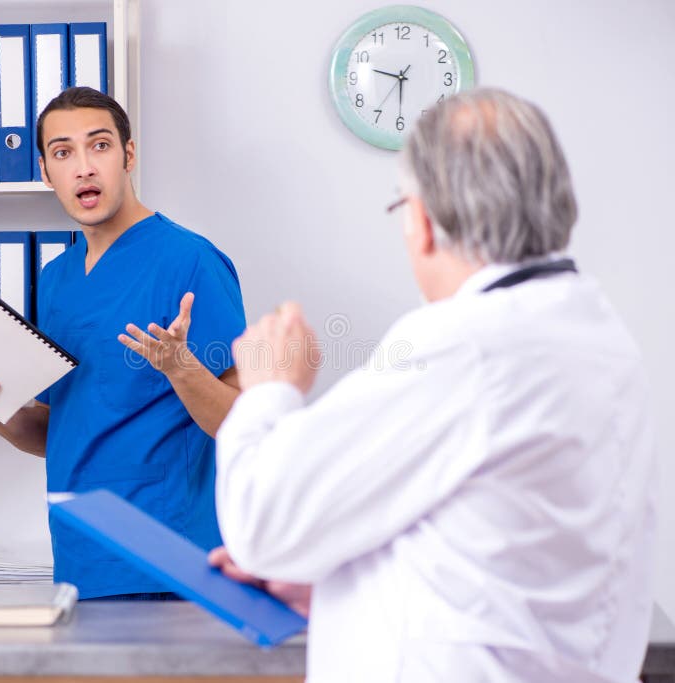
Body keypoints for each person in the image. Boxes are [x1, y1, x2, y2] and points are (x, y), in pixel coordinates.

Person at [209, 88, 656, 682]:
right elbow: (513, 554)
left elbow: (261, 525)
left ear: (420, 221)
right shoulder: (597, 335)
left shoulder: (463, 346)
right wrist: (346, 586)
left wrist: (269, 386)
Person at [0, 87, 246, 600]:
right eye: (63, 153)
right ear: (45, 171)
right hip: (81, 557)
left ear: (128, 155)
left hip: (170, 557)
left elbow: (243, 424)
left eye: (98, 146)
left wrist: (181, 369)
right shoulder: (56, 279)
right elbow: (59, 432)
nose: (83, 167)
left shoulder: (190, 262)